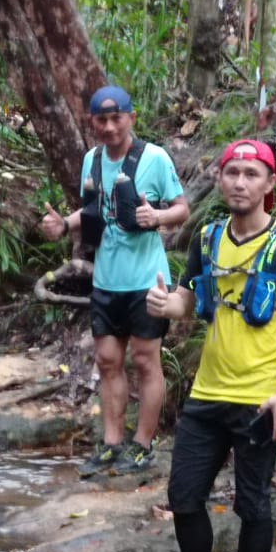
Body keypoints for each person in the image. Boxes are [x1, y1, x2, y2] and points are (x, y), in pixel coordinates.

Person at [145, 138, 276, 552]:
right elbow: (192, 300)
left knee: (253, 504)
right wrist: (165, 303)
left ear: (269, 184)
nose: (239, 182)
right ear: (220, 180)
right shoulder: (209, 235)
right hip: (207, 393)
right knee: (184, 497)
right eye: (232, 173)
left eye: (250, 173)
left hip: (261, 398)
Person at [39, 85, 189, 476]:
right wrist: (63, 225)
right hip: (107, 279)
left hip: (146, 279)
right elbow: (95, 211)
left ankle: (142, 444)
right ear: (92, 122)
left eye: (116, 118)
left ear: (131, 118)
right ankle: (110, 443)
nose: (109, 127)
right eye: (101, 120)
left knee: (145, 360)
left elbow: (182, 209)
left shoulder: (154, 158)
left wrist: (156, 218)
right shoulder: (92, 159)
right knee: (108, 361)